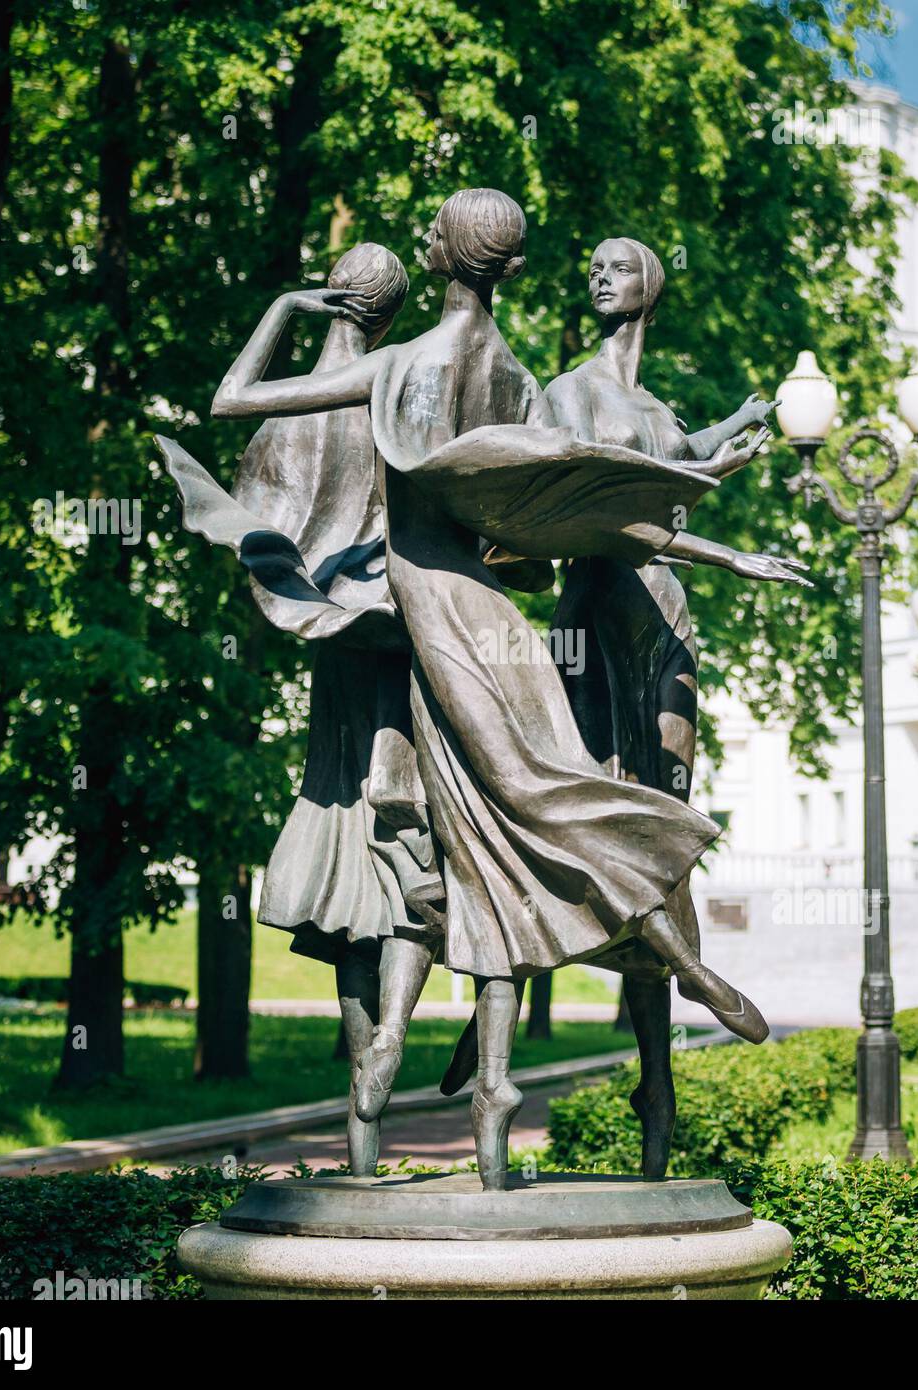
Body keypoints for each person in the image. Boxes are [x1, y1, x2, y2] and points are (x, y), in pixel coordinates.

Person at [207, 188, 808, 1189]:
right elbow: (582, 519)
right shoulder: (520, 378)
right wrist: (722, 553)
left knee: (521, 806)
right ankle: (633, 987)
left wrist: (288, 308)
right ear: (512, 271)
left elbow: (234, 400)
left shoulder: (394, 363)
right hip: (498, 620)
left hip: (436, 620)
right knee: (535, 801)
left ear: (438, 254)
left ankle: (652, 981)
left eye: (430, 234)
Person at [156, 242, 440, 1175]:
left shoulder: (305, 409)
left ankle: (363, 1122)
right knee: (410, 861)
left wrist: (282, 304)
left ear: (333, 297)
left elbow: (231, 399)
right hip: (407, 661)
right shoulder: (403, 392)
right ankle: (393, 1039)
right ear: (393, 312)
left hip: (338, 660)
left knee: (343, 881)